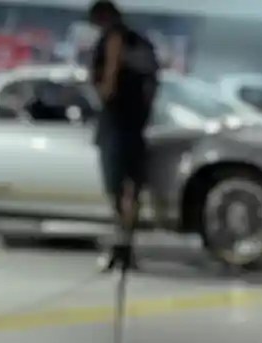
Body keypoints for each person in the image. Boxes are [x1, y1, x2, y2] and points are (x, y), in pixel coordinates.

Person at [88, 0, 158, 265]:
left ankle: (121, 246)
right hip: (135, 126)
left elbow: (107, 84)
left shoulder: (111, 40)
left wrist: (105, 92)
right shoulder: (143, 45)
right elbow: (152, 84)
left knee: (116, 189)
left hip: (115, 125)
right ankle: (125, 244)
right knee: (131, 190)